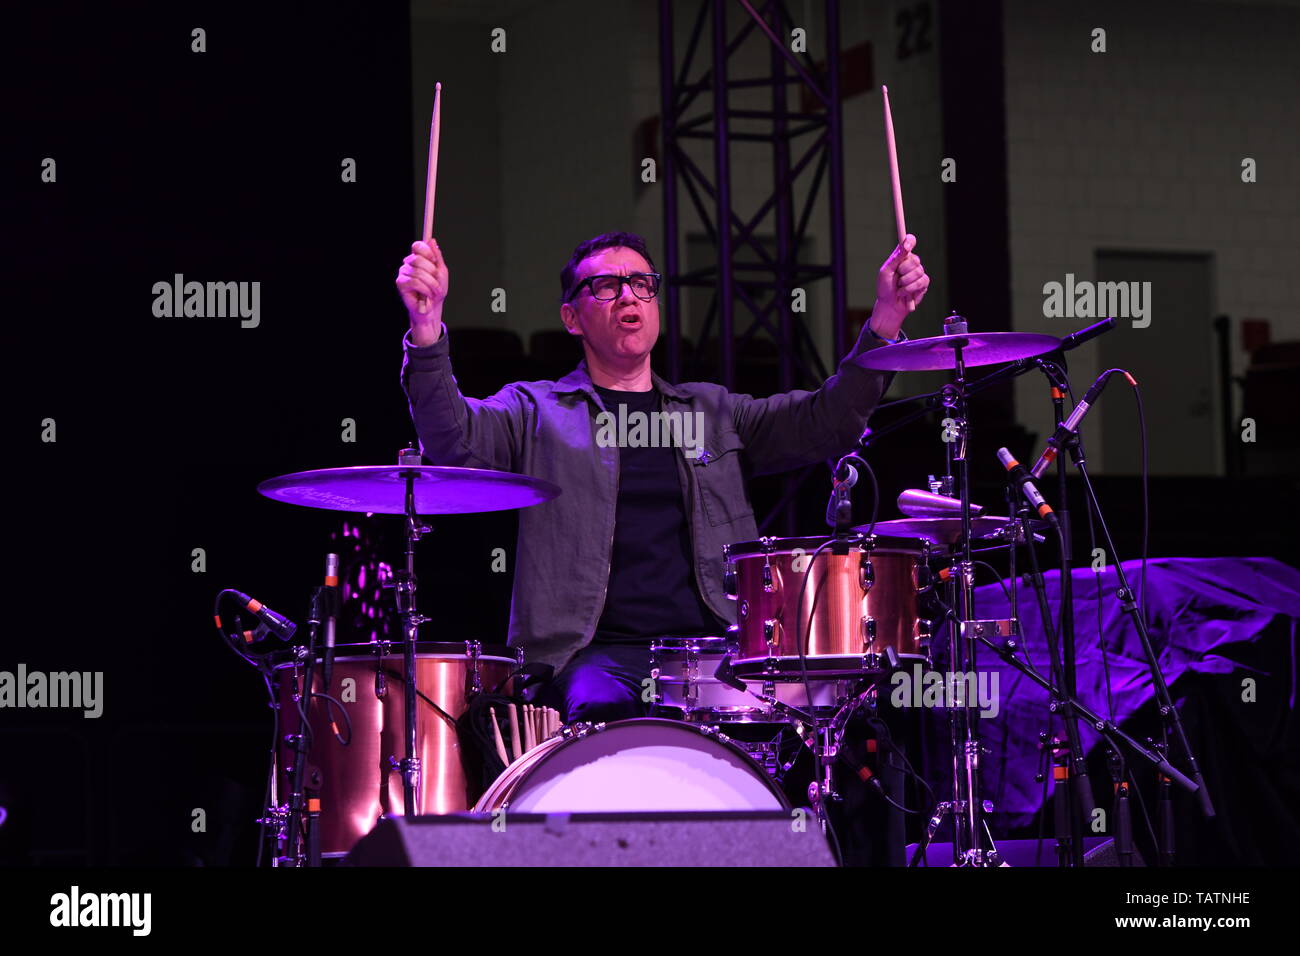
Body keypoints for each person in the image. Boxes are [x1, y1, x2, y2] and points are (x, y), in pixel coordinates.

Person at [397, 231, 929, 723]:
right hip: (595, 655)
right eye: (605, 286)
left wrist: (884, 319)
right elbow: (454, 443)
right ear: (572, 317)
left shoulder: (711, 411)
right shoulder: (536, 411)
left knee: (823, 714)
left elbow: (826, 424)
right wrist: (427, 331)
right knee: (606, 711)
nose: (628, 296)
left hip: (714, 647)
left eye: (641, 284)